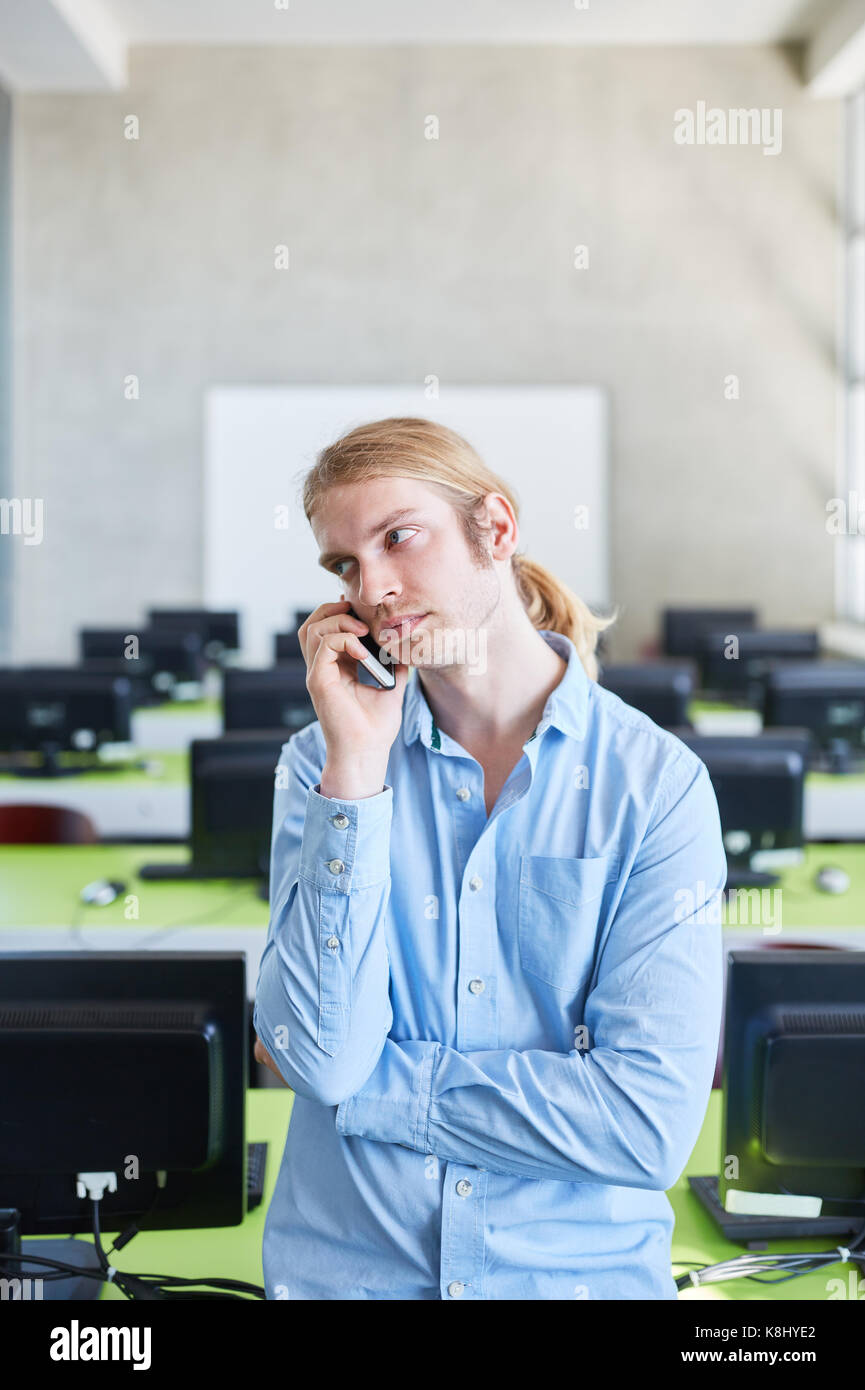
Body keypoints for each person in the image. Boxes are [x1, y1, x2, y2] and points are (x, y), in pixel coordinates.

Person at [253, 416, 726, 1300]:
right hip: (349, 1282)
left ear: (495, 531)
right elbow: (319, 1058)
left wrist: (370, 1091)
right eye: (346, 565)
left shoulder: (655, 787)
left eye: (399, 537)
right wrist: (356, 768)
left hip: (574, 1283)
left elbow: (643, 1129)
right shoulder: (320, 766)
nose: (376, 586)